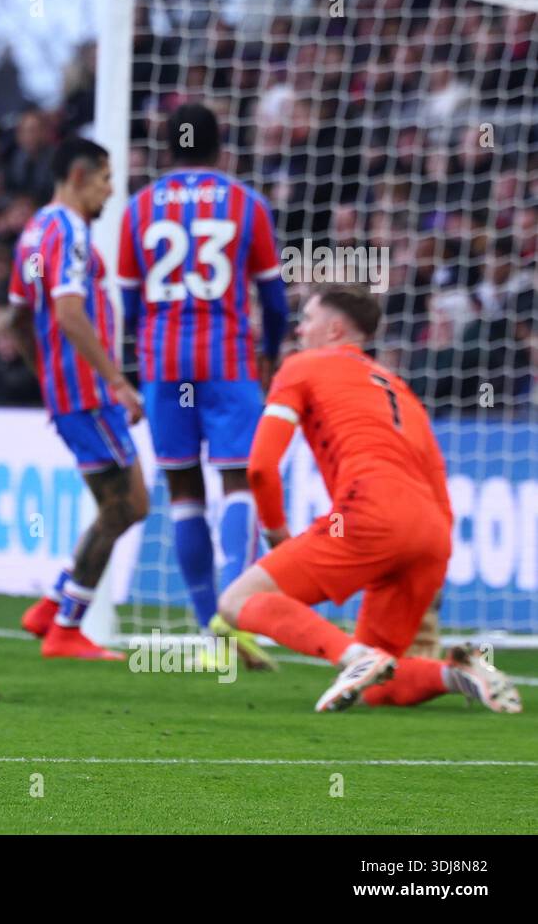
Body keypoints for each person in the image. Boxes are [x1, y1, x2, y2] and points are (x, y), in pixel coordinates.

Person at [217, 287, 521, 713]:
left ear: (335, 328)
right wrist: (433, 567)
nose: (300, 328)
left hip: (369, 515)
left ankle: (355, 658)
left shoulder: (302, 366)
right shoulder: (399, 388)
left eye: (307, 318)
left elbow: (260, 468)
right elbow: (439, 485)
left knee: (235, 601)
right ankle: (459, 672)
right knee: (382, 685)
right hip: (430, 534)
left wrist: (276, 533)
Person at [117, 102, 288, 668]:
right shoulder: (247, 204)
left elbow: (127, 302)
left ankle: (211, 631)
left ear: (168, 148)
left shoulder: (139, 208)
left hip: (163, 364)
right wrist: (270, 352)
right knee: (239, 484)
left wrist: (133, 369)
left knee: (185, 492)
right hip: (229, 361)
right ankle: (235, 616)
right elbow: (275, 300)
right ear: (222, 147)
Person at [8, 138, 149, 660]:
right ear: (77, 174)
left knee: (117, 507)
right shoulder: (70, 232)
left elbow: (18, 318)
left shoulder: (33, 230)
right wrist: (114, 380)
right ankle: (67, 626)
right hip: (91, 394)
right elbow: (68, 313)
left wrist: (46, 375)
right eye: (106, 178)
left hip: (68, 395)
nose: (112, 190)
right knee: (129, 506)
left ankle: (52, 606)